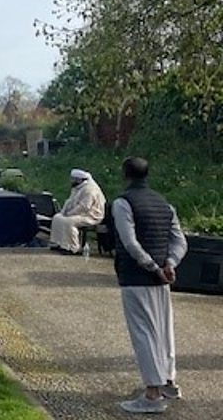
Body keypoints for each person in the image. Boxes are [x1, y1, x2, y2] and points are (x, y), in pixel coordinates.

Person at [112, 157, 188, 414]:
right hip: (162, 279)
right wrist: (170, 264)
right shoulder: (164, 204)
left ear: (125, 175)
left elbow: (130, 243)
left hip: (137, 277)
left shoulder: (123, 203)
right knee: (164, 332)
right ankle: (168, 382)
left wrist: (153, 267)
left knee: (144, 333)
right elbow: (180, 241)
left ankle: (152, 394)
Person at [49, 169, 107, 254]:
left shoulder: (90, 189)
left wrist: (71, 213)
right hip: (79, 214)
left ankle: (72, 247)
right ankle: (59, 243)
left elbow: (84, 207)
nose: (72, 181)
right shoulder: (77, 188)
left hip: (91, 215)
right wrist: (64, 211)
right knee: (57, 218)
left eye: (74, 179)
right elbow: (70, 201)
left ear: (80, 180)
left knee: (69, 222)